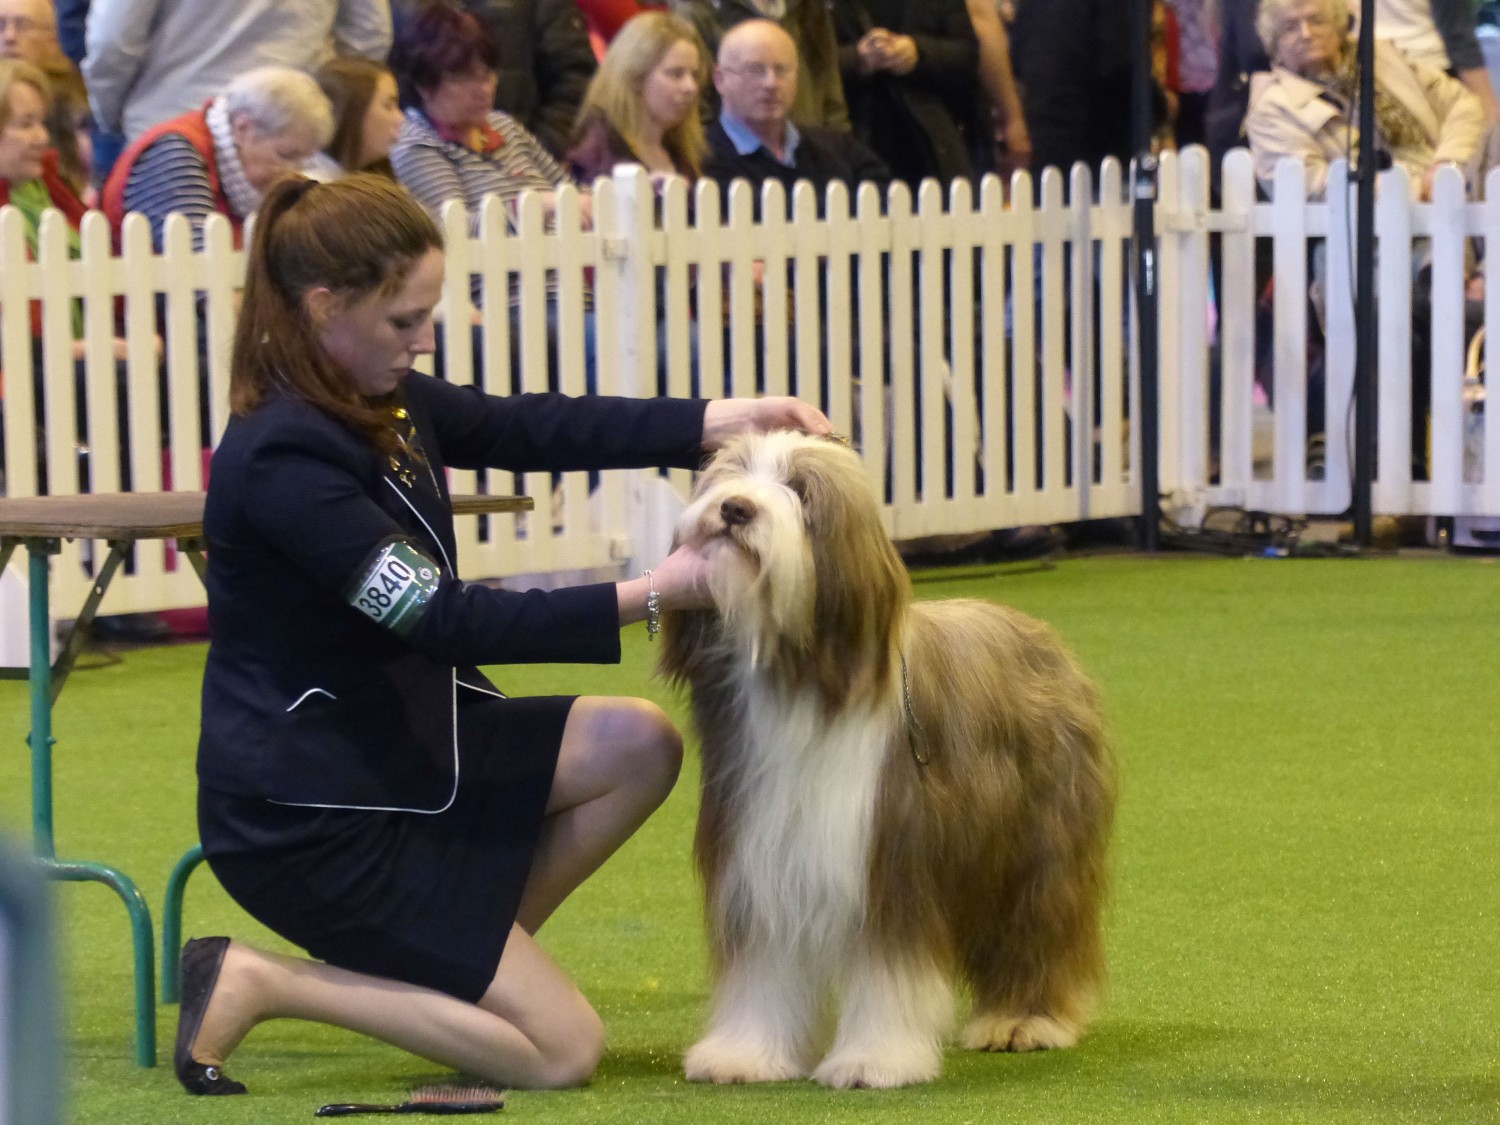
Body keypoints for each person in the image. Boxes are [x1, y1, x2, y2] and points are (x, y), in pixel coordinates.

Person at [175, 171, 832, 1096]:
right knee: (563, 1052)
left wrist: (716, 419)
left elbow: (529, 424)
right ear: (325, 307)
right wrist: (657, 592)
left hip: (406, 752)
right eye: (405, 319)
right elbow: (440, 616)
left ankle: (458, 979)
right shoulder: (284, 452)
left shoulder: (375, 391)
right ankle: (263, 979)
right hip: (314, 816)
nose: (424, 338)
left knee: (639, 741)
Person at [1245, 0, 1485, 200]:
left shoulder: (1384, 57)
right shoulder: (1272, 107)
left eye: (1316, 21)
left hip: (1453, 197)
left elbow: (1463, 105)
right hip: (1370, 238)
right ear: (1273, 42)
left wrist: (1447, 164)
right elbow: (1311, 186)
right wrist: (1417, 190)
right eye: (1290, 28)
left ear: (1338, 24)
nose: (1306, 34)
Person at [81, 0, 389, 143]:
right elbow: (369, 34)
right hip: (290, 132)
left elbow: (113, 39)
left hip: (171, 125)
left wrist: (109, 114)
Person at [101, 65, 333, 251]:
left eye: (303, 160)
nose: (295, 172)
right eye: (286, 155)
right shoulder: (176, 155)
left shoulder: (226, 161)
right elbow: (199, 276)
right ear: (243, 128)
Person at [702, 18, 889, 212]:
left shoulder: (836, 147)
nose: (771, 83)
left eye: (781, 70)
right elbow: (763, 213)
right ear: (720, 80)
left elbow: (885, 199)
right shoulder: (703, 157)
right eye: (755, 70)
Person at [829, 0, 981, 189]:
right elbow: (804, 63)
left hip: (931, 140)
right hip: (855, 133)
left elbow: (967, 56)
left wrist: (919, 52)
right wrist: (857, 58)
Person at [568, 10, 708, 183]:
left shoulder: (684, 155)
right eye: (676, 74)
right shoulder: (597, 155)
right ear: (635, 77)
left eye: (694, 75)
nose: (691, 87)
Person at [670, 0, 849, 130]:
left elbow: (829, 83)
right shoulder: (698, 10)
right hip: (733, 158)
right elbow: (697, 105)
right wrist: (715, 154)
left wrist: (838, 145)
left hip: (809, 153)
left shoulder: (809, 6)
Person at [306, 57, 404, 181]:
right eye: (388, 106)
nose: (400, 118)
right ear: (352, 112)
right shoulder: (315, 188)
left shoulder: (378, 174)